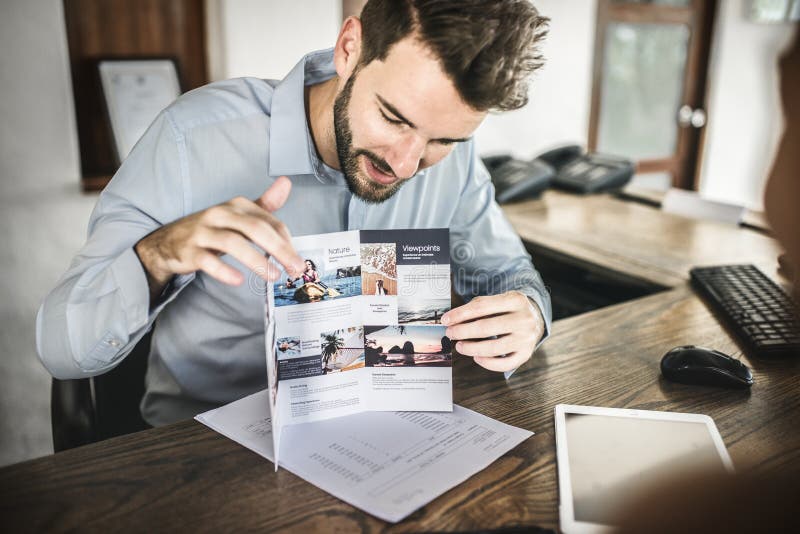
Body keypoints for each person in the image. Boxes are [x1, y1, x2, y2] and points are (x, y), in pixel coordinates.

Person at [36, 0, 552, 425]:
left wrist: (528, 313)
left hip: (390, 430)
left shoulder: (455, 163)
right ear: (350, 48)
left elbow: (507, 272)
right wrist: (157, 255)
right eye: (393, 118)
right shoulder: (191, 138)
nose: (406, 162)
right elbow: (62, 349)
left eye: (443, 139)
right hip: (212, 449)